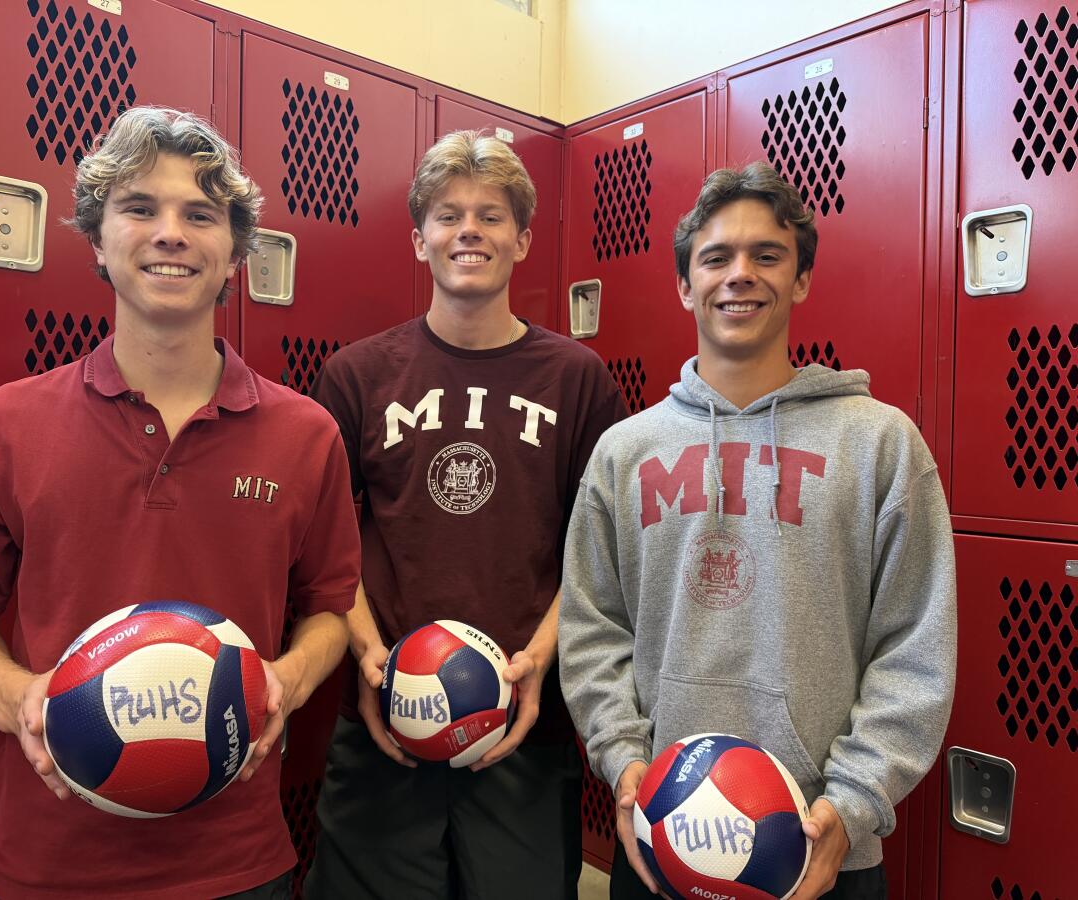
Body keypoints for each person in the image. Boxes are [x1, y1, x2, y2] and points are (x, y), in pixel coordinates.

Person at [0, 107, 360, 900]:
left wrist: (287, 679)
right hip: (49, 862)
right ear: (97, 239)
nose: (170, 234)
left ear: (235, 253)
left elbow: (330, 609)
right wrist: (23, 700)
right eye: (139, 208)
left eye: (201, 215)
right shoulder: (2, 425)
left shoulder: (307, 434)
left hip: (235, 861)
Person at [558, 162, 956, 899]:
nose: (740, 274)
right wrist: (623, 760)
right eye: (716, 257)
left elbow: (914, 645)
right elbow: (592, 628)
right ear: (685, 285)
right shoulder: (624, 452)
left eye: (766, 255)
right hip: (664, 834)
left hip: (819, 848)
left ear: (800, 279)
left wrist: (853, 802)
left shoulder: (879, 444)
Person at [302, 130, 628, 899]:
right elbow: (322, 542)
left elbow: (602, 551)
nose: (469, 231)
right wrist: (368, 654)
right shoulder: (357, 375)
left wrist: (539, 661)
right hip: (386, 719)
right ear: (420, 240)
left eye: (490, 215)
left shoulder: (578, 379)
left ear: (522, 239)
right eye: (448, 216)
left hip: (523, 722)